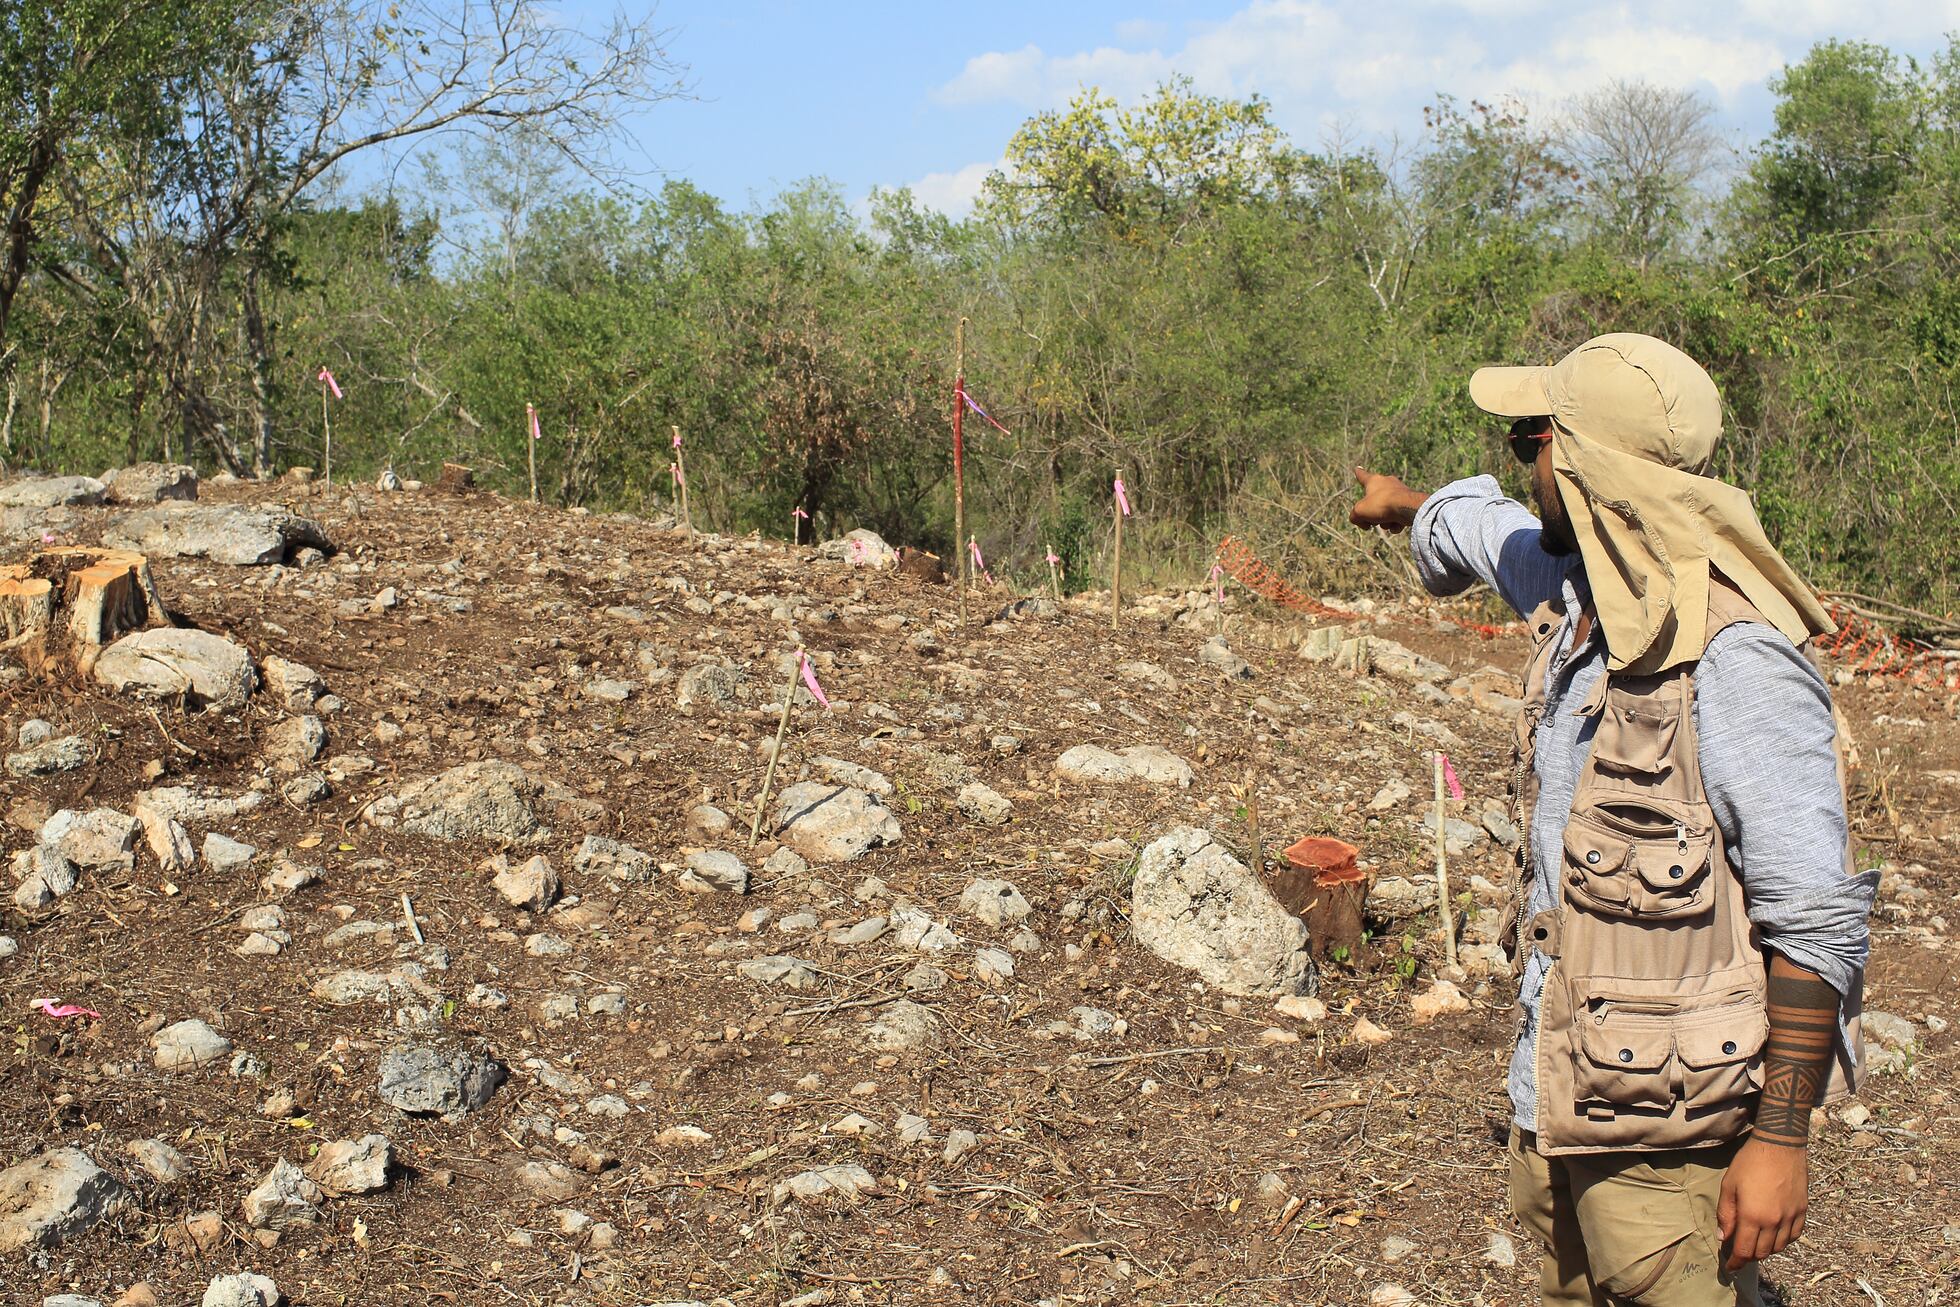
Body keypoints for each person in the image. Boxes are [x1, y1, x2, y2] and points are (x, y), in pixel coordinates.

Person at [1348, 333, 1875, 1306]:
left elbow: (1814, 918)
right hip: (1554, 1102)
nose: (1522, 456)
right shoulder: (1579, 594)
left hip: (1667, 1155)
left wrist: (1780, 1141)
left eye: (1528, 440)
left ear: (1579, 463)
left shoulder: (1736, 658)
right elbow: (1480, 530)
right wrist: (1407, 509)